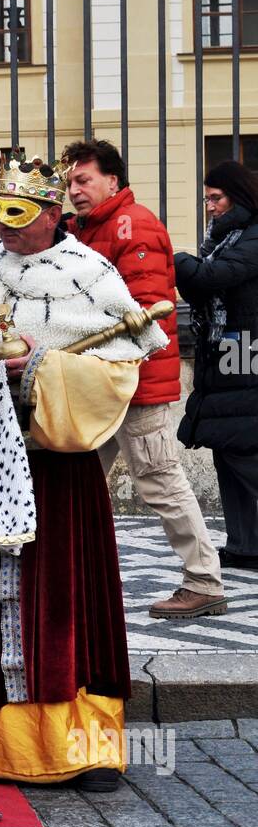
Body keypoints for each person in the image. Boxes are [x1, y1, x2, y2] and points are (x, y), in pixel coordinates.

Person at [0, 152, 167, 792]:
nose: (3, 228)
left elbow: (118, 368)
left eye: (19, 216)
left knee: (63, 600)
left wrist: (39, 371)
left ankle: (81, 748)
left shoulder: (88, 273)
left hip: (56, 470)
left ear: (52, 215)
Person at [63, 138, 227, 619]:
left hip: (135, 383)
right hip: (102, 381)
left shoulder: (134, 227)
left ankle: (204, 581)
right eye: (70, 181)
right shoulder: (90, 228)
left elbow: (141, 317)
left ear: (112, 180)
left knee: (159, 479)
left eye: (83, 179)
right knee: (75, 479)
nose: (74, 190)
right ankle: (70, 577)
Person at [174, 161, 258, 571]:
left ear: (238, 196)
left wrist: (177, 261)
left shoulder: (253, 235)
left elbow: (213, 278)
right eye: (206, 198)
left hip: (248, 351)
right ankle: (245, 545)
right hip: (228, 350)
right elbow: (201, 281)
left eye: (216, 198)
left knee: (242, 445)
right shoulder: (222, 237)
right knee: (226, 448)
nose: (209, 206)